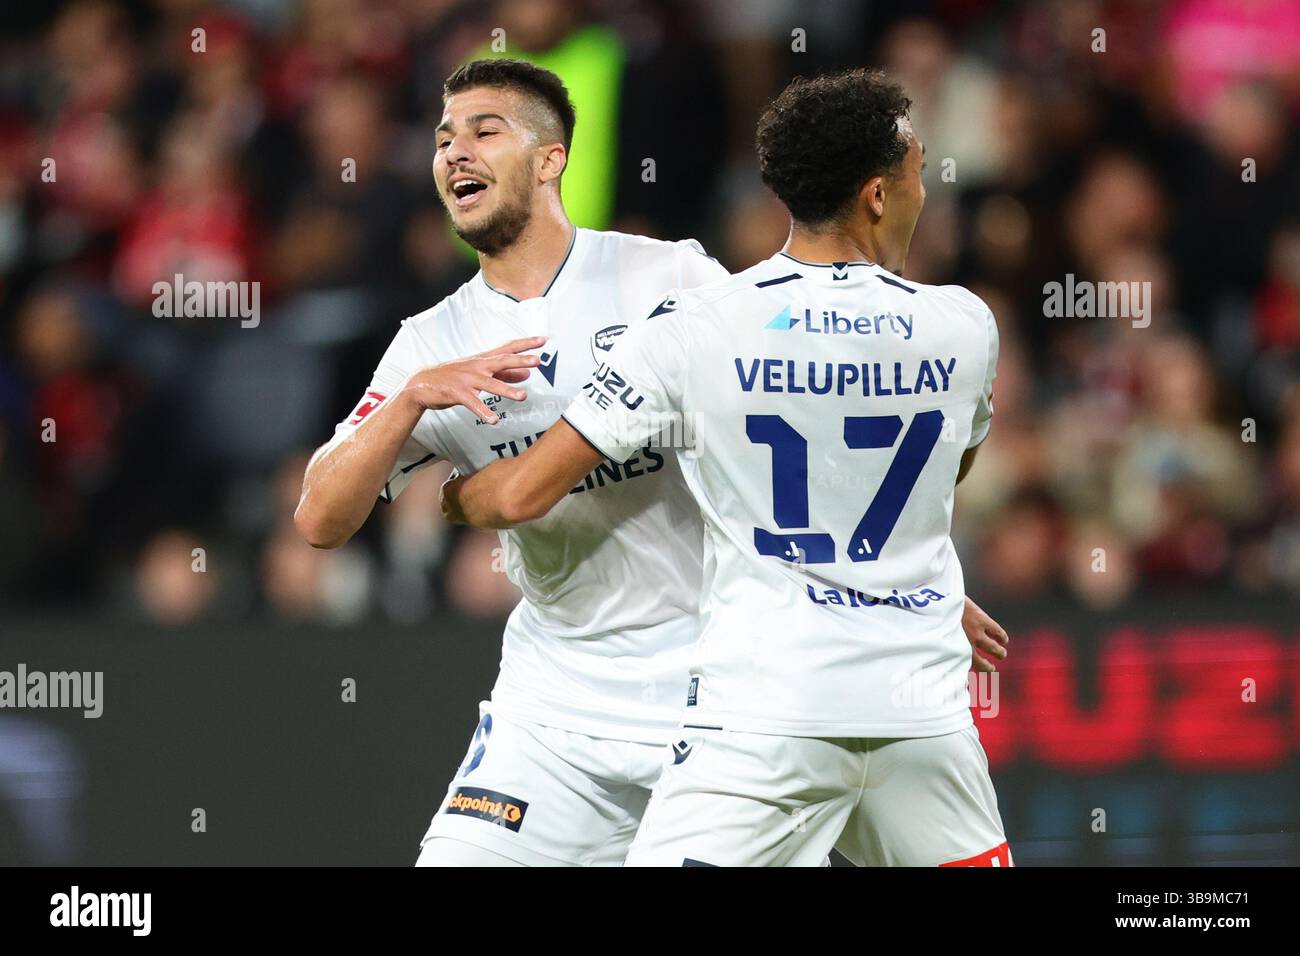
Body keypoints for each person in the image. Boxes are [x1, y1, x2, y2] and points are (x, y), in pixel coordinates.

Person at [296, 60, 1007, 867]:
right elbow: (321, 518)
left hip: (716, 689)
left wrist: (884, 585)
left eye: (485, 130)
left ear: (551, 157)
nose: (456, 151)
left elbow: (807, 419)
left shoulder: (670, 277)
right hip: (557, 709)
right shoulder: (431, 343)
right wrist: (413, 400)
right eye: (442, 139)